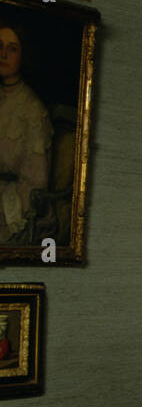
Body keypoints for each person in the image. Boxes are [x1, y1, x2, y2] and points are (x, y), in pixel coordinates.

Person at [0, 23, 53, 243]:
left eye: (12, 49)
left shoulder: (33, 110)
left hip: (16, 206)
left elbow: (35, 185)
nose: (3, 54)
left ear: (24, 56)